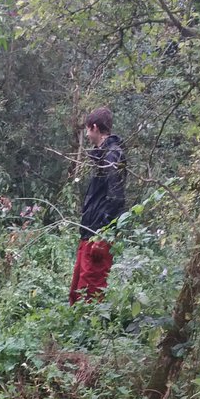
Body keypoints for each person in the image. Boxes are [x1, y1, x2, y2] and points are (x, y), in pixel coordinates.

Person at [69, 107, 127, 305]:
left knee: (90, 292)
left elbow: (116, 198)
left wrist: (103, 233)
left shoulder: (112, 156)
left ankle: (91, 325)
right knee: (77, 291)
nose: (87, 134)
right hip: (89, 232)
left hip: (98, 234)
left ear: (94, 127)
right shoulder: (103, 156)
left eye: (87, 129)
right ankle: (76, 324)